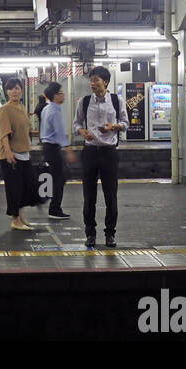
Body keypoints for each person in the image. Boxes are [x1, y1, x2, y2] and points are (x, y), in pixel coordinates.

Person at [73, 66, 128, 248]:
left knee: (110, 196)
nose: (92, 83)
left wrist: (112, 127)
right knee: (89, 197)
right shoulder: (84, 101)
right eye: (91, 80)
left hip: (109, 153)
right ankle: (90, 234)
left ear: (105, 82)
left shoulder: (116, 100)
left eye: (96, 80)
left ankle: (110, 233)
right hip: (89, 152)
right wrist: (82, 131)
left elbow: (125, 123)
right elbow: (76, 123)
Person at [0, 78, 35, 231]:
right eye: (11, 89)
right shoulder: (5, 109)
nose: (14, 91)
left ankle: (20, 216)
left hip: (23, 152)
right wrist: (8, 152)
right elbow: (4, 132)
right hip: (10, 154)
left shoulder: (22, 107)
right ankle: (15, 219)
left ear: (21, 90)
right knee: (14, 188)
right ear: (6, 92)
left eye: (17, 88)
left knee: (24, 187)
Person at [39, 81, 73, 220]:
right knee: (59, 178)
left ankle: (51, 204)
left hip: (47, 146)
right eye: (61, 93)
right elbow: (59, 132)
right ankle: (54, 209)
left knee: (57, 177)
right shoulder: (55, 111)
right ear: (54, 96)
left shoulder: (46, 108)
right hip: (53, 148)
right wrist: (68, 149)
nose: (63, 95)